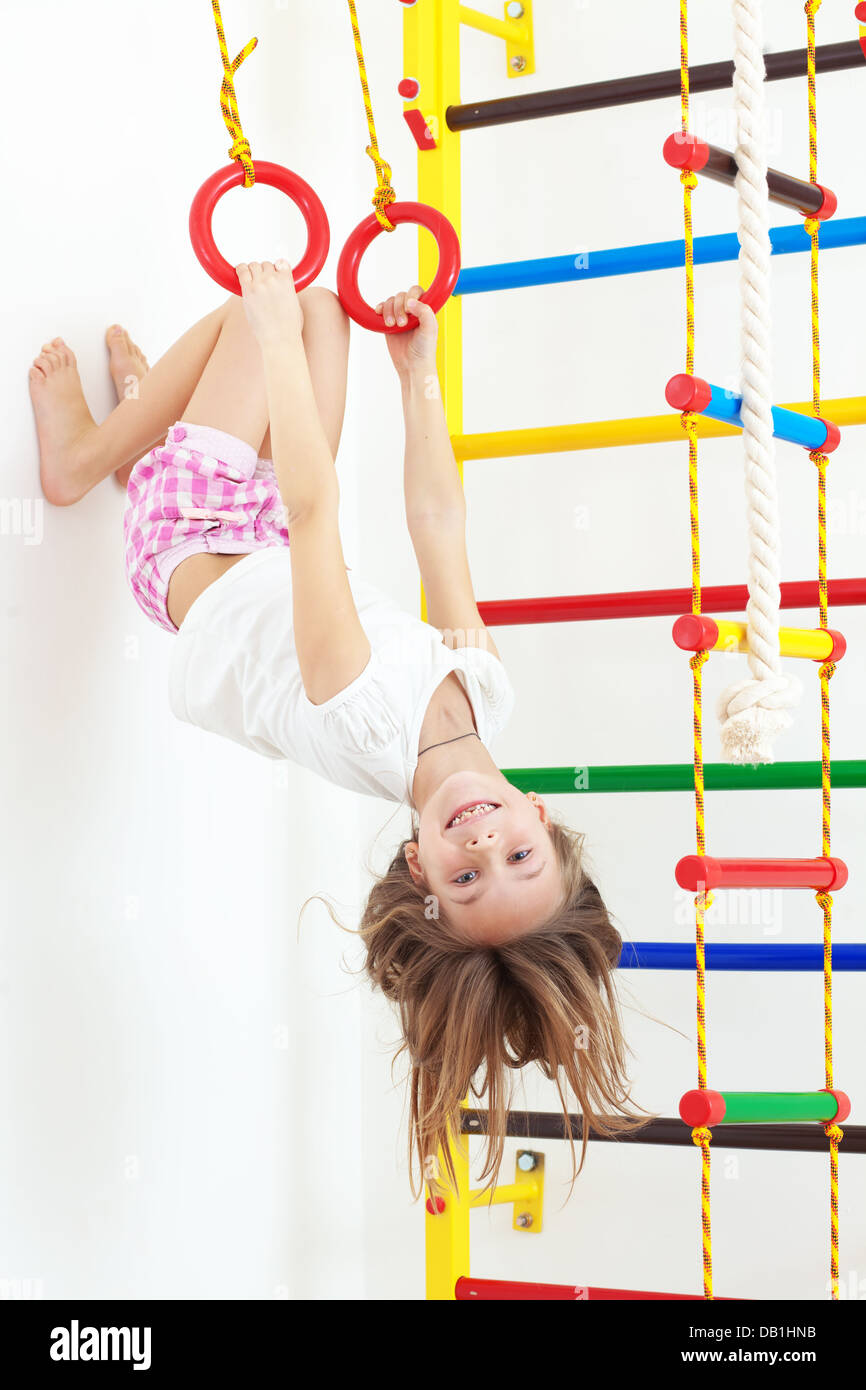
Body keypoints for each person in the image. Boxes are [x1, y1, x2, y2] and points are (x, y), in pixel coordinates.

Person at [29, 264, 639, 1196]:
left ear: (417, 869)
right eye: (518, 857)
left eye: (466, 876)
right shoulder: (486, 691)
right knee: (324, 313)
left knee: (260, 310)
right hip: (269, 535)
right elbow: (438, 522)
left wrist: (267, 340)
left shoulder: (361, 716)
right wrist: (416, 374)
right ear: (544, 820)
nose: (482, 841)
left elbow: (320, 512)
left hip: (186, 538)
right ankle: (146, 433)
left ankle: (85, 458)